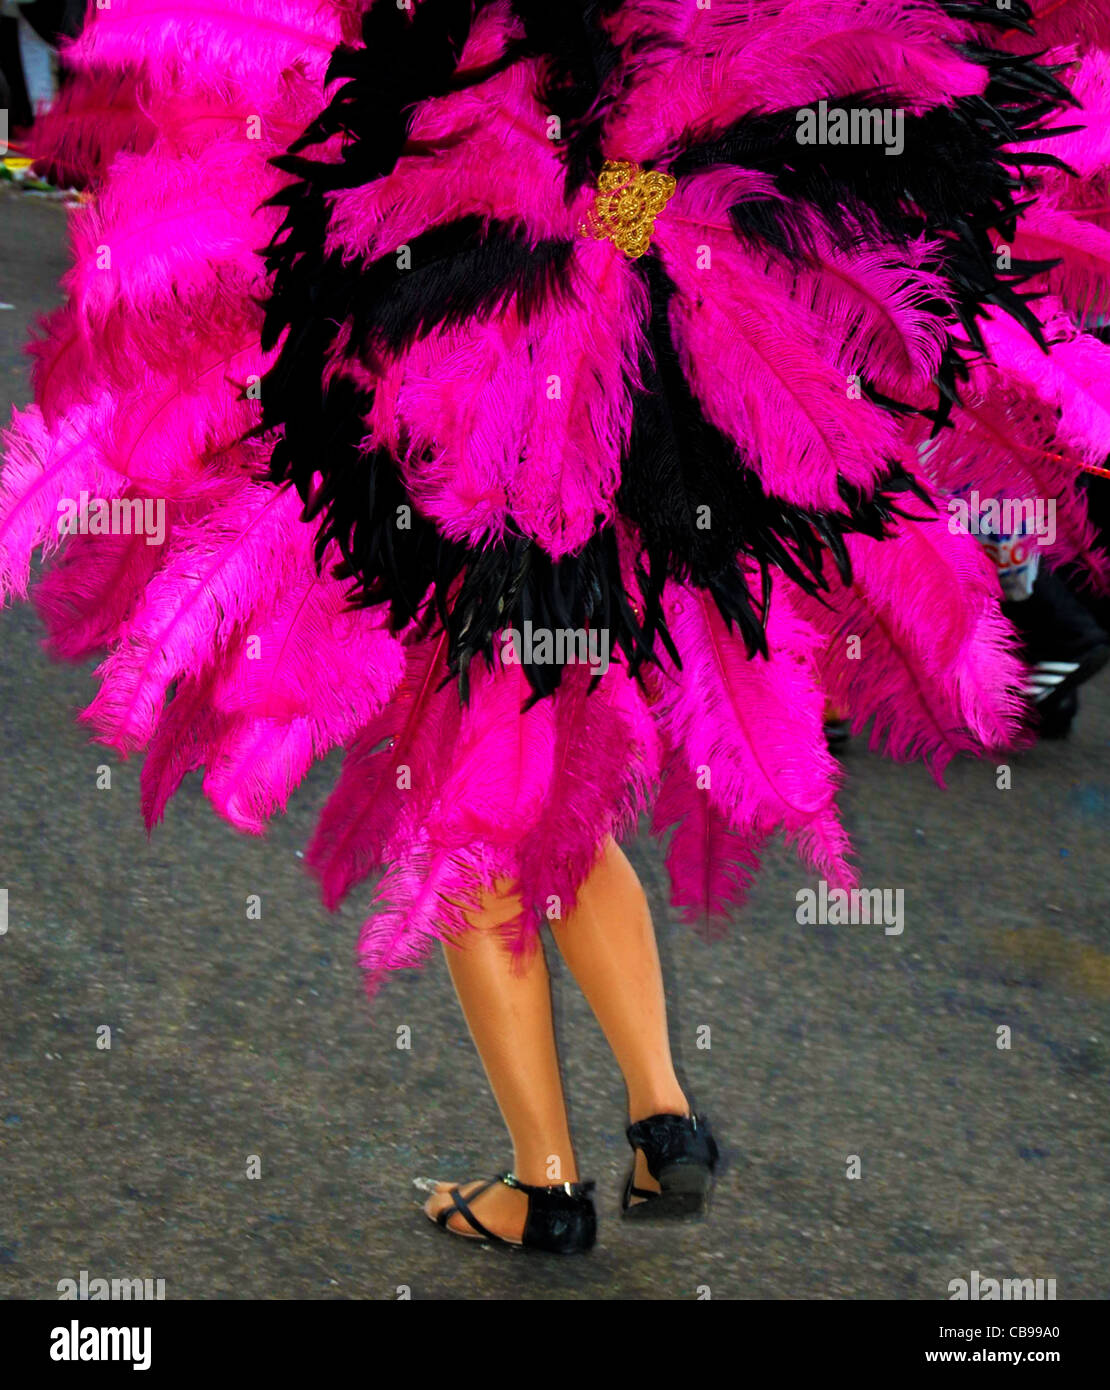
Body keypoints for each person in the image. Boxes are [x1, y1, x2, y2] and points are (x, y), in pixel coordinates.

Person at [2, 0, 1107, 1254]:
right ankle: (664, 1114)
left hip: (482, 478)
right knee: (559, 803)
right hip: (637, 460)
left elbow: (375, 169)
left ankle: (542, 1183)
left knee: (470, 823)